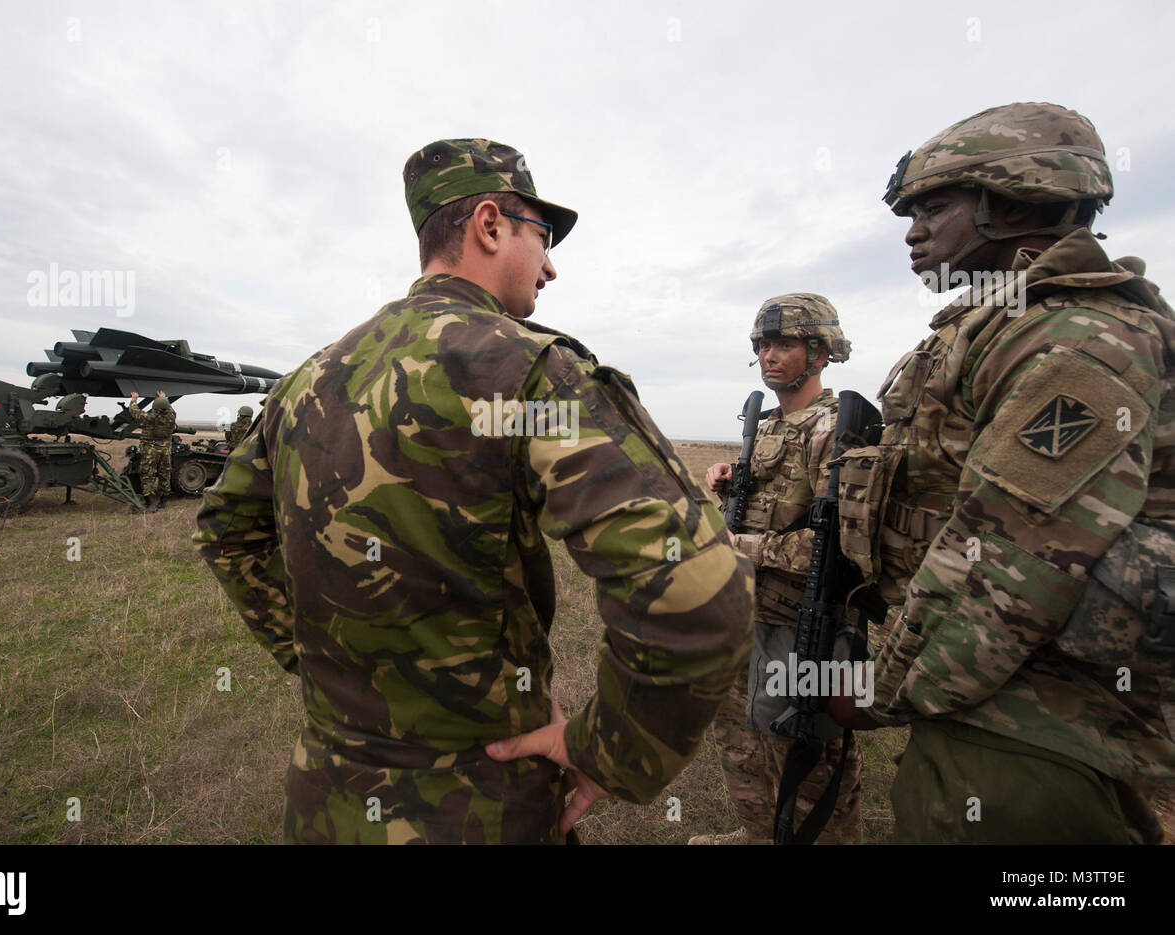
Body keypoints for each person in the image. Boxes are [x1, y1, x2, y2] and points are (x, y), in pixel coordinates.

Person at [193, 138, 754, 845]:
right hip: (481, 805)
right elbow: (700, 588)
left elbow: (224, 527)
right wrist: (608, 748)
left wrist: (317, 659)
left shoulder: (308, 379)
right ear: (490, 225)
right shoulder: (524, 369)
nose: (551, 264)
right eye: (542, 236)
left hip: (325, 804)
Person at [826, 102, 1175, 843]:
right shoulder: (1005, 321)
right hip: (1003, 699)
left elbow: (1008, 557)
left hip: (1033, 721)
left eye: (936, 206)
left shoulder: (1077, 337)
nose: (914, 232)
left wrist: (881, 688)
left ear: (1011, 200)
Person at [690, 294, 862, 845]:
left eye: (784, 344)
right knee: (741, 746)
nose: (769, 355)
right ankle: (761, 835)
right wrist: (730, 480)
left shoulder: (836, 431)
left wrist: (741, 544)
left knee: (806, 757)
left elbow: (843, 549)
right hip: (746, 614)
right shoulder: (765, 427)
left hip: (802, 626)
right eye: (762, 344)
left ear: (821, 352)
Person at [126, 390, 176, 512]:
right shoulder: (172, 416)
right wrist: (164, 399)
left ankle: (149, 502)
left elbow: (135, 412)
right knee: (165, 474)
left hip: (151, 450)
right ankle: (163, 501)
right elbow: (169, 408)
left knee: (147, 474)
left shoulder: (149, 418)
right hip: (165, 450)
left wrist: (134, 400)